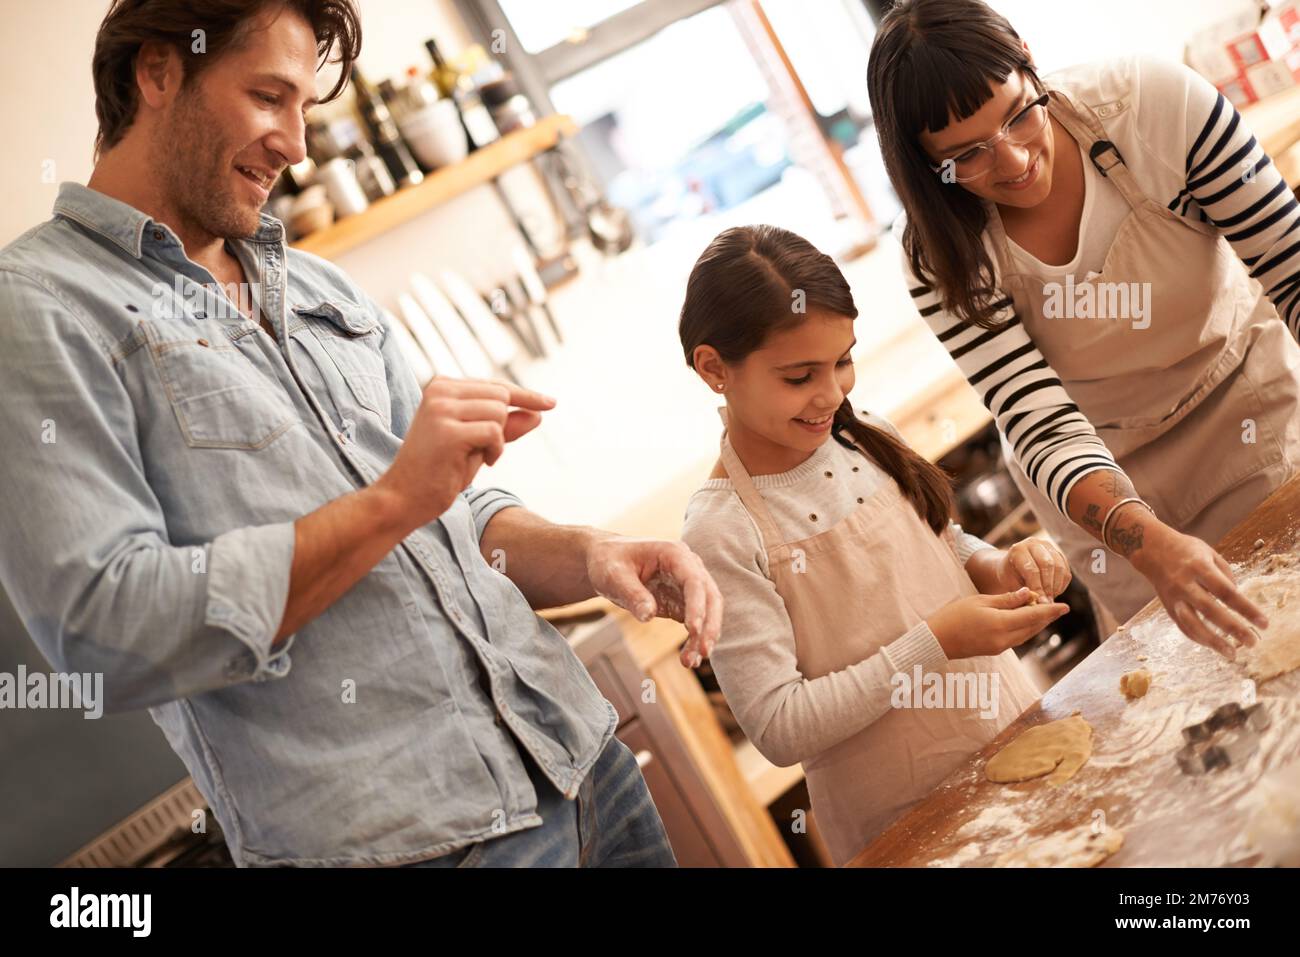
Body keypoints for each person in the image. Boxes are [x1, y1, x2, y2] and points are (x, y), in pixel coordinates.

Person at [0, 0, 722, 868]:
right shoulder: (37, 309)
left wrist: (590, 556)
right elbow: (105, 630)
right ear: (158, 72)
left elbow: (456, 521)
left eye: (305, 108)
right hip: (414, 848)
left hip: (582, 767)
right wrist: (391, 501)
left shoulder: (317, 286)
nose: (296, 145)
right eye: (268, 97)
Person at [868, 0, 1300, 657]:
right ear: (926, 167)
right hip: (1102, 481)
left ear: (1029, 63)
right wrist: (1146, 543)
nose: (1012, 161)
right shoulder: (939, 254)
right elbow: (1039, 421)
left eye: (1019, 113)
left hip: (1248, 406)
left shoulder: (1156, 106)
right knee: (1197, 693)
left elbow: (1290, 267)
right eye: (968, 156)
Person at [678, 224, 1066, 865]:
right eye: (800, 375)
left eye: (843, 361)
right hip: (912, 826)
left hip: (1015, 733)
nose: (832, 394)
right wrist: (936, 643)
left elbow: (942, 547)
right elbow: (780, 725)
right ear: (715, 369)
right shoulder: (719, 531)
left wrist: (999, 566)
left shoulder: (867, 438)